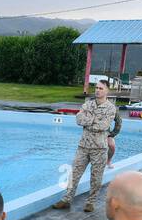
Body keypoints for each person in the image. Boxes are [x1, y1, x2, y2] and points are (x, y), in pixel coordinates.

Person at [52, 79, 123, 212]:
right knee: (74, 173)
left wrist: (90, 121)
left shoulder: (110, 108)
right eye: (96, 87)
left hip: (99, 148)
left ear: (107, 90)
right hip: (83, 146)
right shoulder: (88, 104)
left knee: (96, 177)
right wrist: (94, 120)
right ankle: (66, 199)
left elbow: (104, 126)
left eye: (101, 88)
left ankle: (91, 202)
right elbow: (78, 119)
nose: (97, 90)